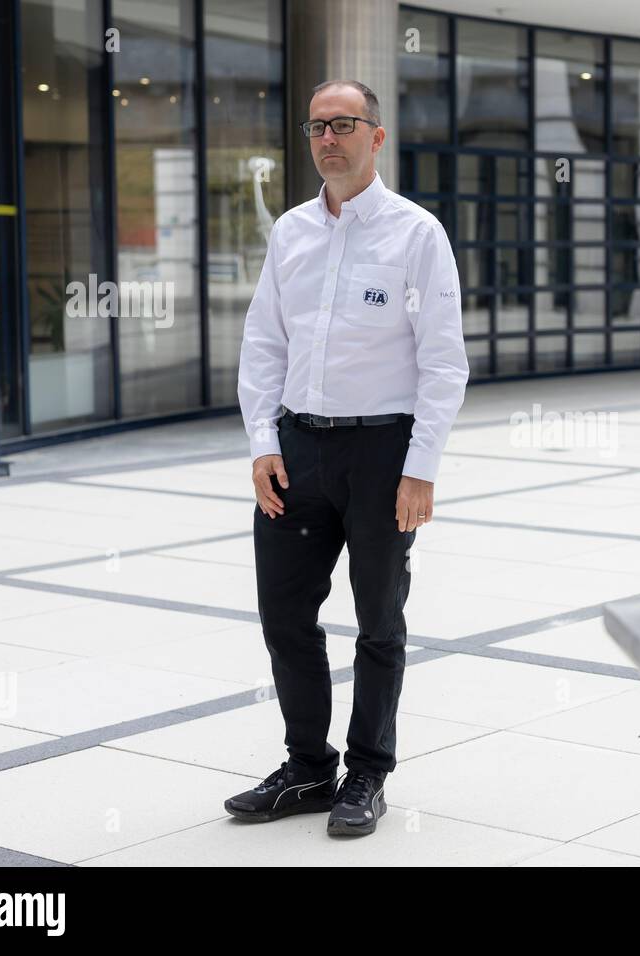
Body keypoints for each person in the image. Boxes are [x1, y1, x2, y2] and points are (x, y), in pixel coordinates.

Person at [225, 79, 468, 837]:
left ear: (376, 137)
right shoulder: (291, 233)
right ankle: (307, 767)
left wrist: (420, 466)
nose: (327, 138)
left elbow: (444, 360)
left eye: (344, 124)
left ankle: (367, 771)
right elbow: (264, 344)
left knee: (378, 620)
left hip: (380, 451)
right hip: (298, 447)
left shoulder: (416, 234)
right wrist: (264, 443)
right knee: (284, 613)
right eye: (316, 127)